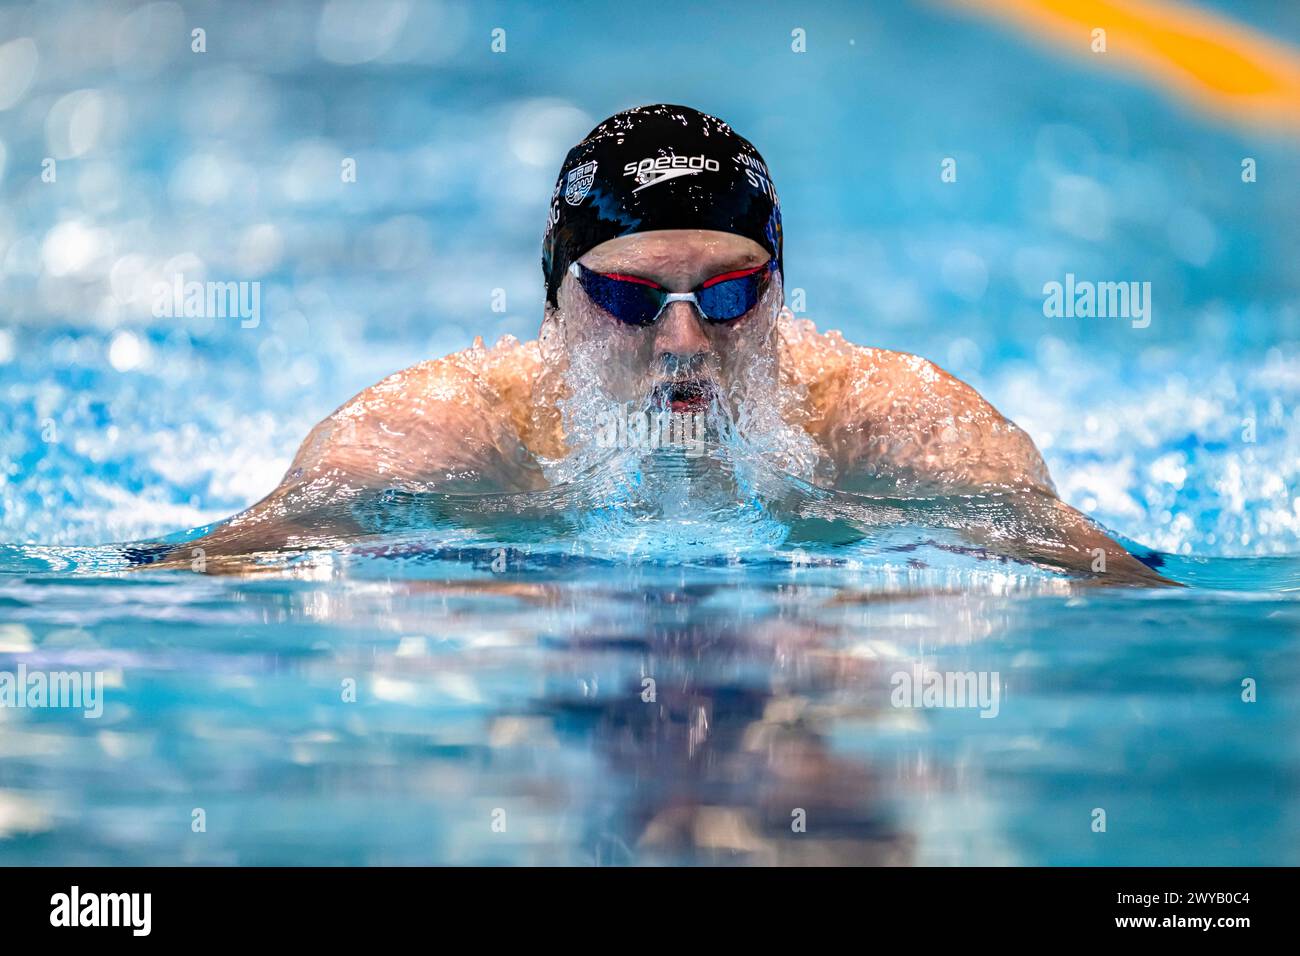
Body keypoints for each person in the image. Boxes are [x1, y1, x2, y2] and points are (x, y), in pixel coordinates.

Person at [168, 104, 1168, 584]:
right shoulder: (441, 435)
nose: (683, 338)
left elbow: (1123, 589)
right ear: (556, 308)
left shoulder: (895, 425)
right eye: (630, 295)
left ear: (781, 297)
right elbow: (195, 579)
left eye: (731, 293)